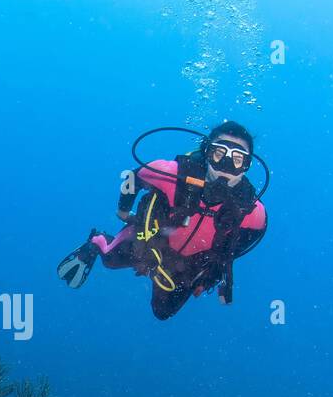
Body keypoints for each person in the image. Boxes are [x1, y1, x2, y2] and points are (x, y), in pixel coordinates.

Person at [57, 121, 268, 320]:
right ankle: (97, 242)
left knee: (163, 312)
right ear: (206, 152)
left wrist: (209, 274)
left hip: (186, 266)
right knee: (110, 260)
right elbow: (133, 177)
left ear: (247, 165)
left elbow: (239, 246)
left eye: (238, 159)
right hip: (148, 243)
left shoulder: (253, 212)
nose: (226, 166)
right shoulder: (172, 174)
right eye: (219, 154)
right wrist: (123, 212)